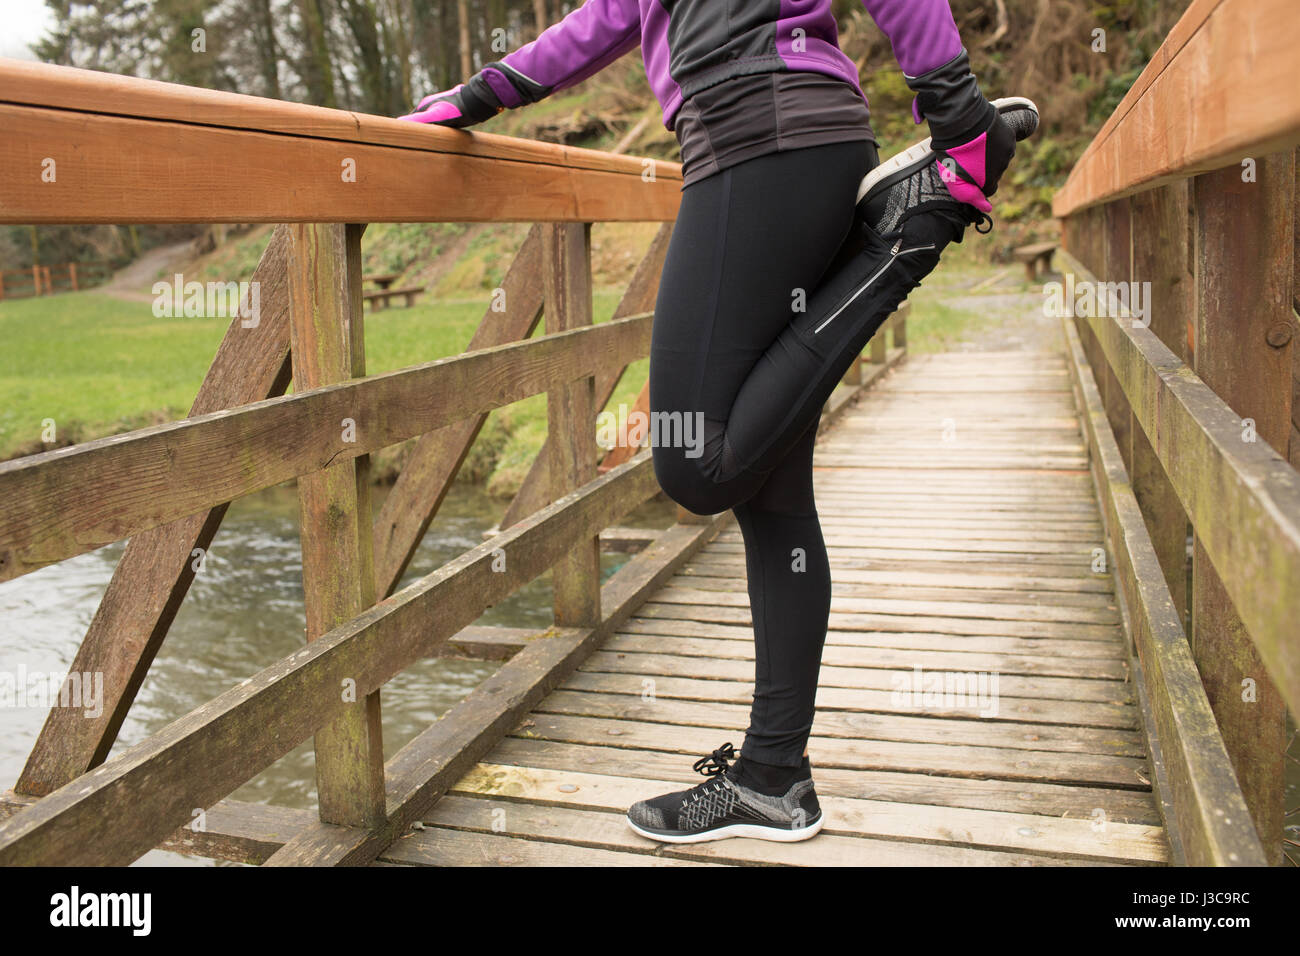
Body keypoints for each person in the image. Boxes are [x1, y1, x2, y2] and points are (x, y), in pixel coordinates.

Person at [399, 0, 1037, 844]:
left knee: (694, 464)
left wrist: (956, 108)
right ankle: (774, 779)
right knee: (771, 497)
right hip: (791, 144)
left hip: (756, 142)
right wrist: (483, 93)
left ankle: (911, 233)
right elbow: (607, 18)